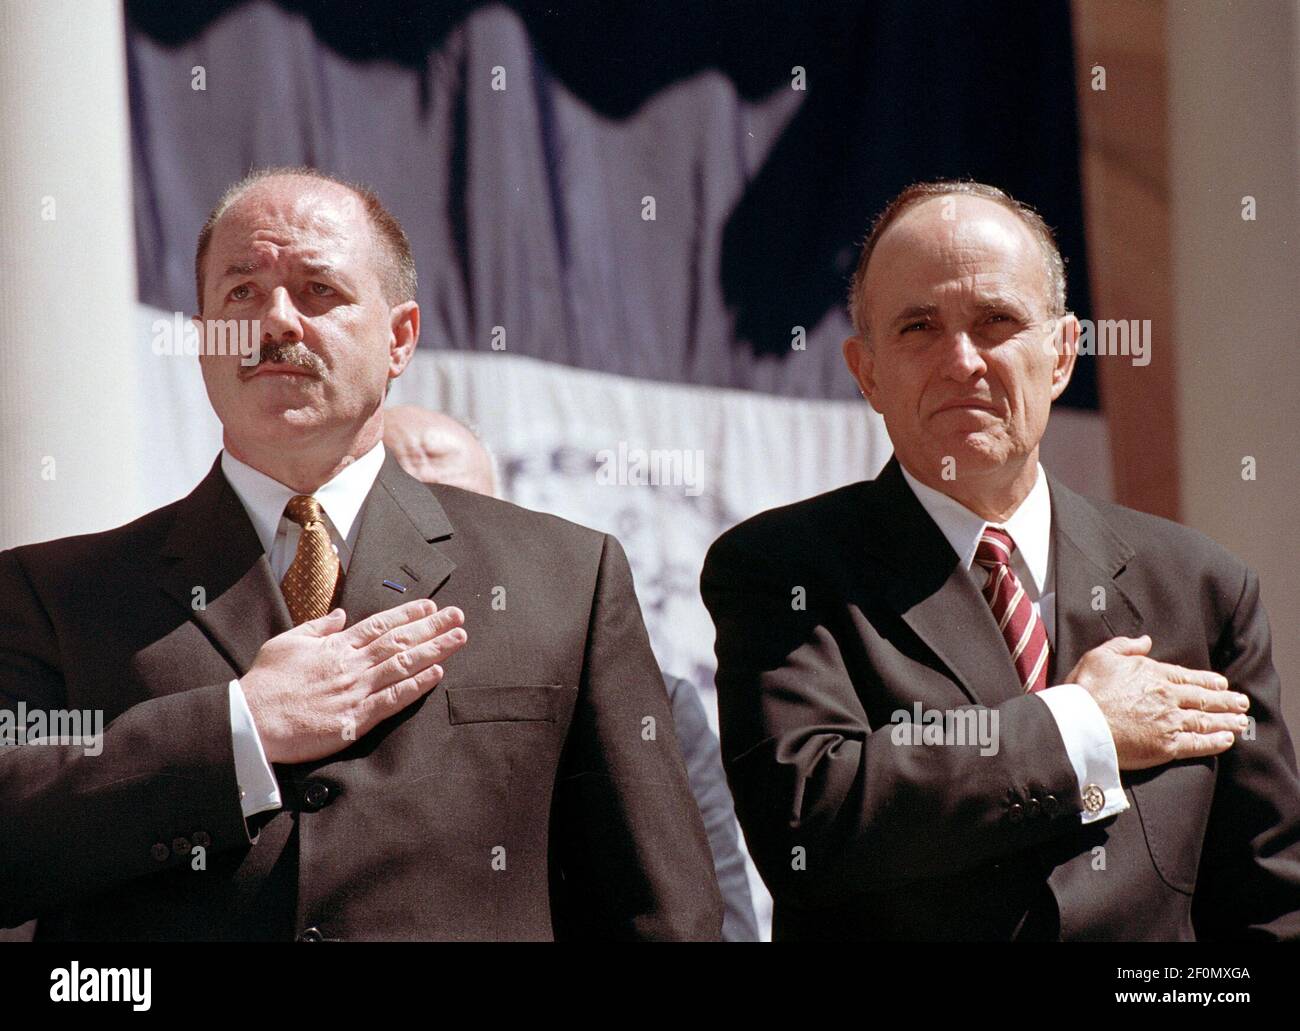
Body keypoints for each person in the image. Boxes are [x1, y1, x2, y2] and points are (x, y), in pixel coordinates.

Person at [0, 167, 722, 941]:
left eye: (318, 290)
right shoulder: (54, 592)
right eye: (241, 292)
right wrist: (239, 728)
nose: (275, 321)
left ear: (400, 337)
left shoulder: (565, 581)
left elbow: (662, 911)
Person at [701, 180, 1300, 941]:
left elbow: (1267, 904)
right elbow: (810, 822)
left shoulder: (1200, 588)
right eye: (919, 326)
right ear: (867, 372)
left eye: (996, 321)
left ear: (1061, 354)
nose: (962, 361)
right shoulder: (780, 569)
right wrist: (1080, 728)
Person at [386, 405, 759, 940]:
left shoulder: (658, 709)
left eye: (458, 522)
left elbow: (707, 921)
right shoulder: (293, 688)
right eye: (402, 519)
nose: (429, 557)